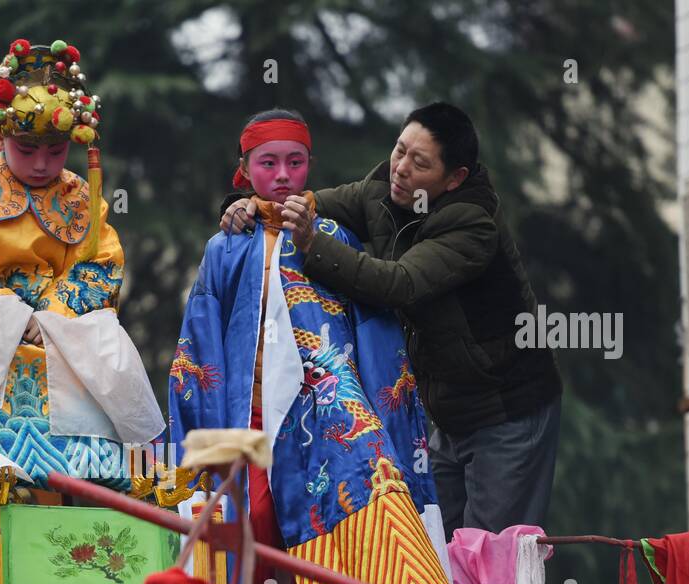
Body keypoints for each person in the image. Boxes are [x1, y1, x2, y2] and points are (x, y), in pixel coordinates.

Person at [170, 109, 457, 584]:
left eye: (294, 162)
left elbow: (371, 316)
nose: (282, 175)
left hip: (325, 400)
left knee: (370, 477)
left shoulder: (336, 233)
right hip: (247, 408)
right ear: (243, 171)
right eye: (267, 163)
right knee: (252, 513)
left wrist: (380, 400)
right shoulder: (226, 246)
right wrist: (201, 419)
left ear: (311, 169)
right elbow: (203, 330)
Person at [220, 102, 562, 541]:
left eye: (419, 163)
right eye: (400, 150)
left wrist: (312, 244)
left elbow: (397, 284)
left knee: (494, 562)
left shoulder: (472, 225)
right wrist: (247, 205)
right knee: (436, 547)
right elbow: (310, 203)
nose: (400, 168)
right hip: (447, 415)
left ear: (454, 178)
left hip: (508, 413)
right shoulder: (384, 187)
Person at [0, 38, 162, 500]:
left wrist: (49, 317)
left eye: (56, 149)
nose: (43, 164)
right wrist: (11, 316)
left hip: (66, 337)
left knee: (111, 358)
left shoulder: (82, 198)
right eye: (27, 149)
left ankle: (120, 479)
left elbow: (103, 264)